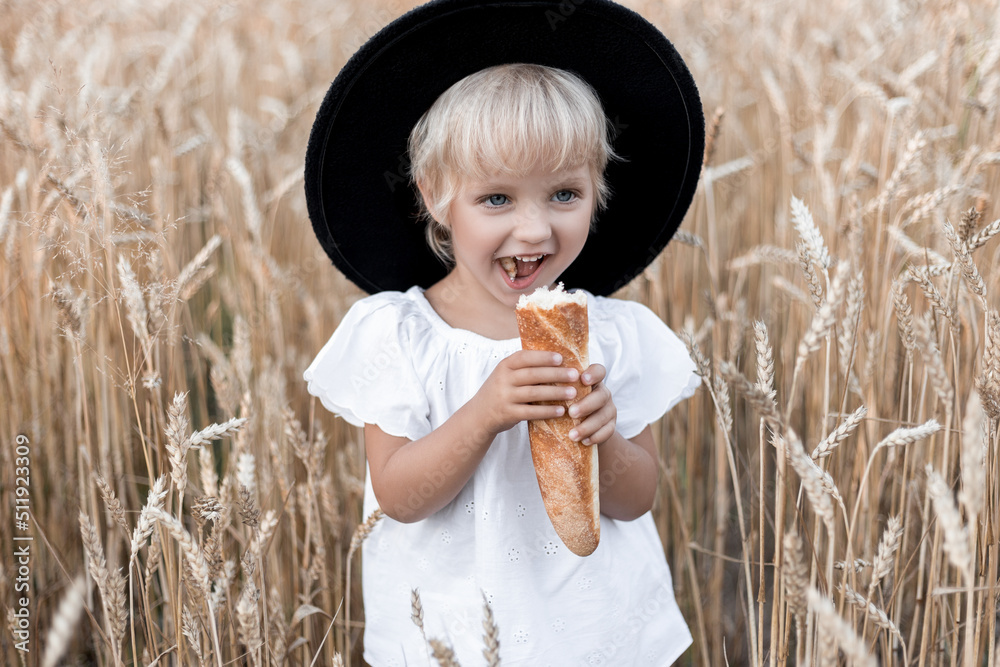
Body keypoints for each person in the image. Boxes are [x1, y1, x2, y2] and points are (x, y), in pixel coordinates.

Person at [302, 1, 705, 664]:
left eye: (564, 194)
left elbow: (637, 499)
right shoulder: (401, 334)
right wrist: (485, 411)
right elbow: (399, 495)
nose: (535, 229)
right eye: (497, 199)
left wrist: (604, 437)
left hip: (592, 633)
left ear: (597, 190)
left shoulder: (611, 334)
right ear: (435, 194)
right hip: (454, 636)